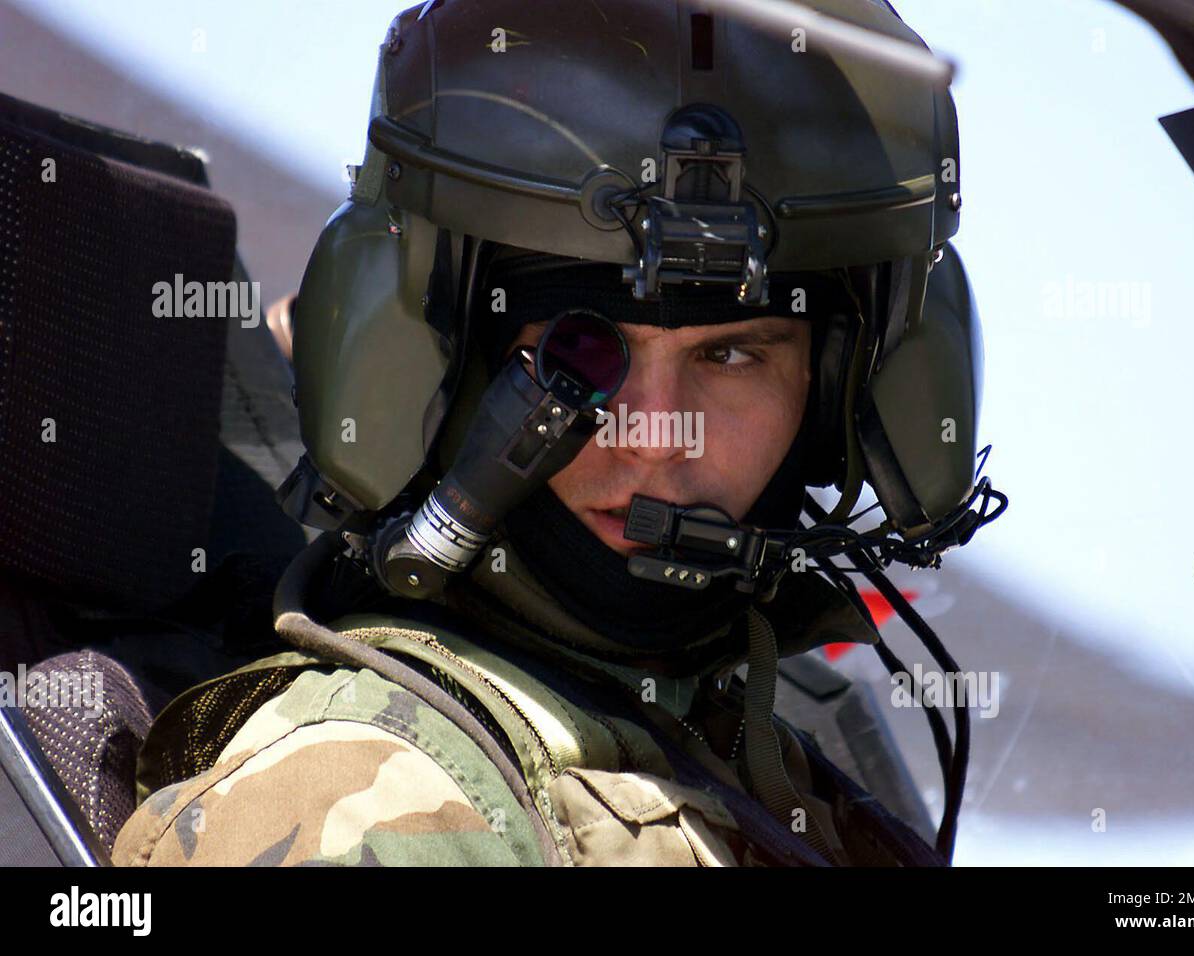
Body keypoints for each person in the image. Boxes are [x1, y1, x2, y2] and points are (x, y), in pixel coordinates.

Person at [111, 0, 989, 867]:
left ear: (838, 394)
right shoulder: (372, 802)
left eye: (730, 355)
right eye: (576, 354)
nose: (653, 436)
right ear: (445, 376)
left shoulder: (760, 765)